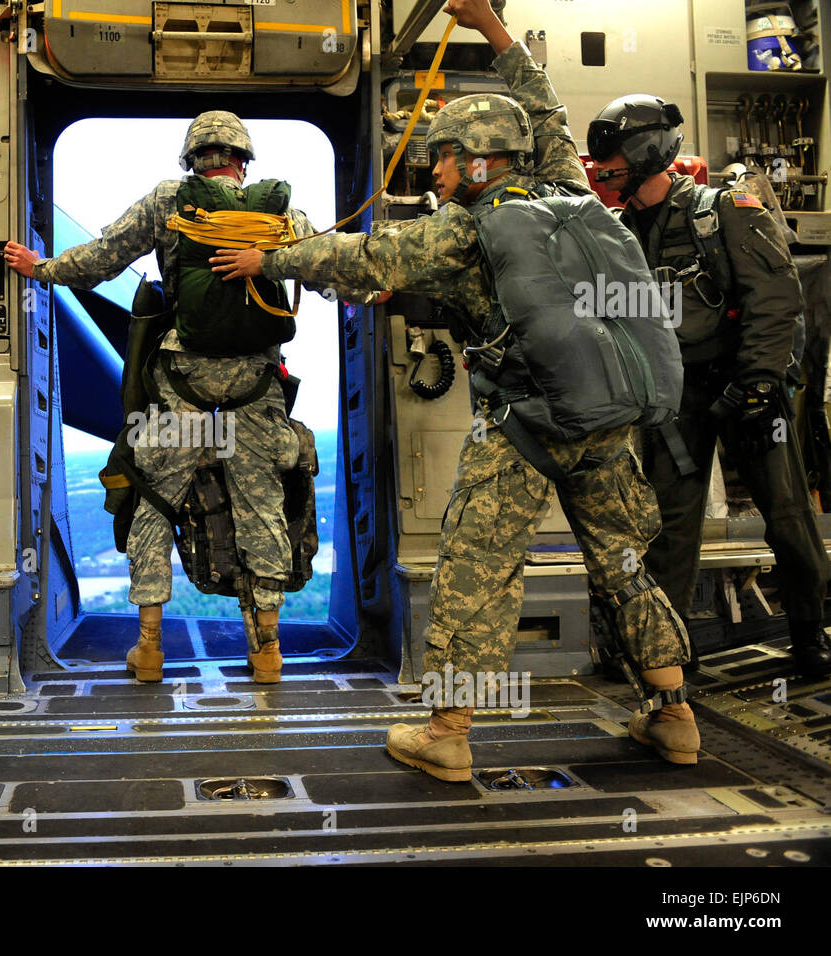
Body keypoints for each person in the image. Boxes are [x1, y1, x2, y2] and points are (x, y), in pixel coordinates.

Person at [212, 0, 697, 780]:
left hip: (521, 432)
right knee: (623, 564)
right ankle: (674, 716)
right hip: (606, 425)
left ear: (476, 161)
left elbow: (359, 261)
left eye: (440, 157)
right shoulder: (567, 186)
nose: (432, 170)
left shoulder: (461, 230)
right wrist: (494, 31)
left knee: (476, 573)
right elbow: (544, 109)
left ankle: (449, 729)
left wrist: (265, 263)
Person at [4, 111, 360, 683]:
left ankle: (149, 649)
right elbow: (329, 270)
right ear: (244, 161)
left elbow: (100, 260)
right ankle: (266, 651)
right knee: (261, 507)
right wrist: (376, 288)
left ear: (192, 159)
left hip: (183, 385)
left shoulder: (168, 202)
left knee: (155, 498)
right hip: (254, 386)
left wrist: (38, 266)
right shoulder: (279, 215)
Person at [587, 94, 831, 678]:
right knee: (670, 531)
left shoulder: (724, 210)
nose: (604, 169)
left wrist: (757, 383)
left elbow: (776, 300)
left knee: (789, 518)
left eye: (614, 158)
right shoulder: (618, 235)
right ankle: (670, 662)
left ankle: (809, 638)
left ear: (646, 151)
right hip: (678, 399)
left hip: (749, 386)